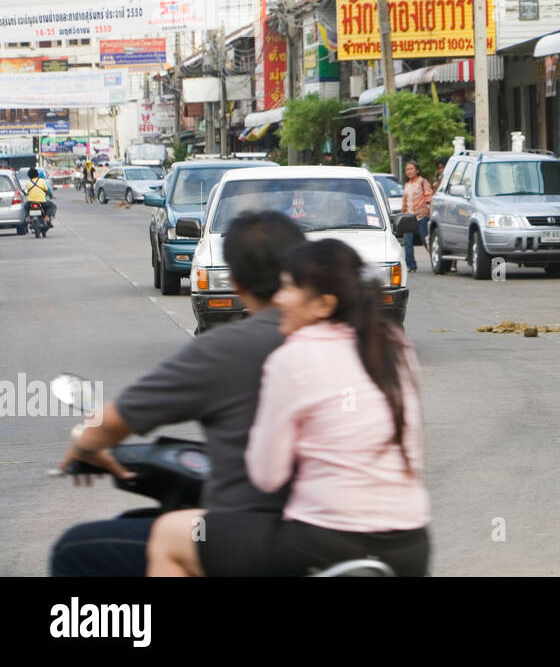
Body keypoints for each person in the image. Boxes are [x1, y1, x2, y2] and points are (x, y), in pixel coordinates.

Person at [145, 239, 431, 576]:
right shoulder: (394, 345)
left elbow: (267, 476)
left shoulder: (292, 357)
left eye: (290, 288)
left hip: (322, 544)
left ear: (324, 304)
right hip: (411, 547)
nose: (278, 299)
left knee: (168, 534)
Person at [50, 211, 308, 576]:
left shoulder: (227, 347)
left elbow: (110, 422)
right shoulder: (353, 340)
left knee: (76, 548)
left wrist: (85, 443)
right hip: (369, 535)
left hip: (259, 539)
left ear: (234, 280)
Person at [401, 161, 433, 272]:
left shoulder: (422, 182)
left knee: (426, 241)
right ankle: (411, 266)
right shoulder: (406, 184)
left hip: (421, 216)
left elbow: (429, 196)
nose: (409, 171)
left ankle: (436, 261)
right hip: (409, 217)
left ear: (417, 170)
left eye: (411, 169)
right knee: (407, 242)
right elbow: (405, 201)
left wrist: (428, 209)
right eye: (407, 169)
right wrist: (402, 213)